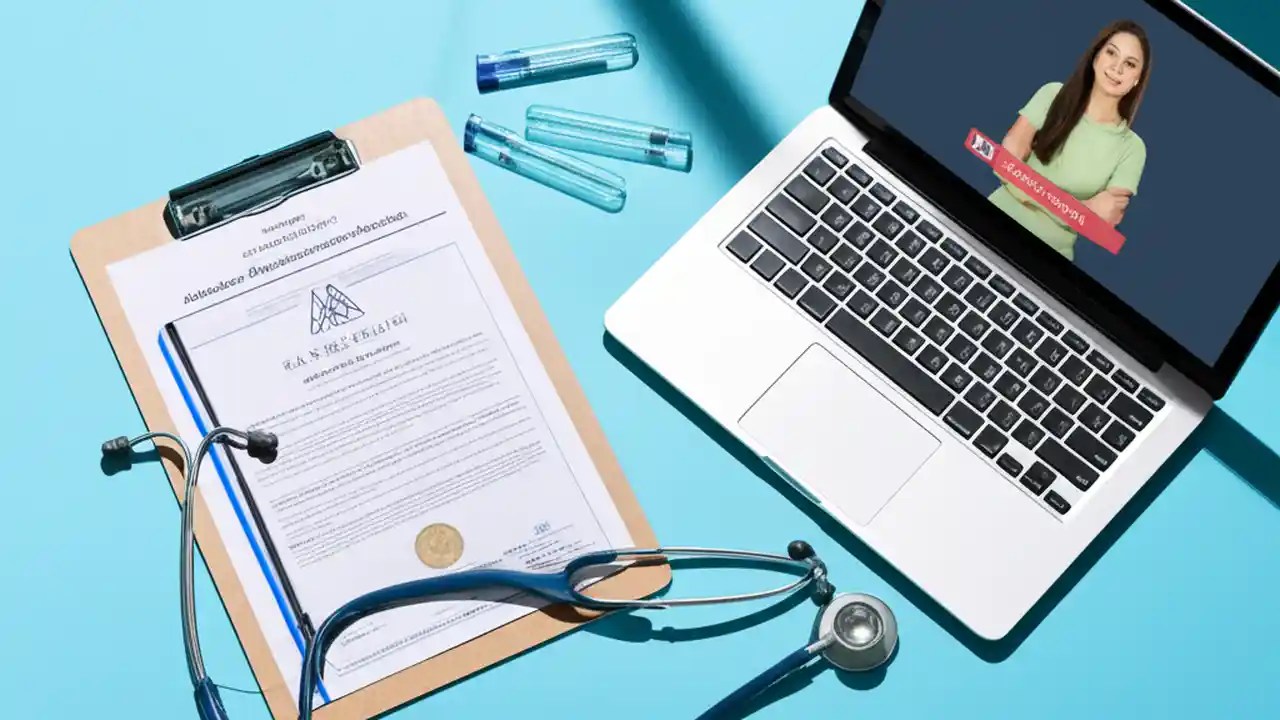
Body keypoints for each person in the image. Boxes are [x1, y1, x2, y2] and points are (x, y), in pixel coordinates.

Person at [989, 19, 1152, 261]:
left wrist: (1027, 184)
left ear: (1137, 78)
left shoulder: (1132, 148)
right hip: (991, 222)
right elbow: (1005, 163)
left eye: (1129, 64)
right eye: (1111, 53)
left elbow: (1104, 219)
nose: (1117, 68)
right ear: (1097, 55)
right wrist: (1073, 209)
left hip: (1050, 258)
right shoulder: (1053, 94)